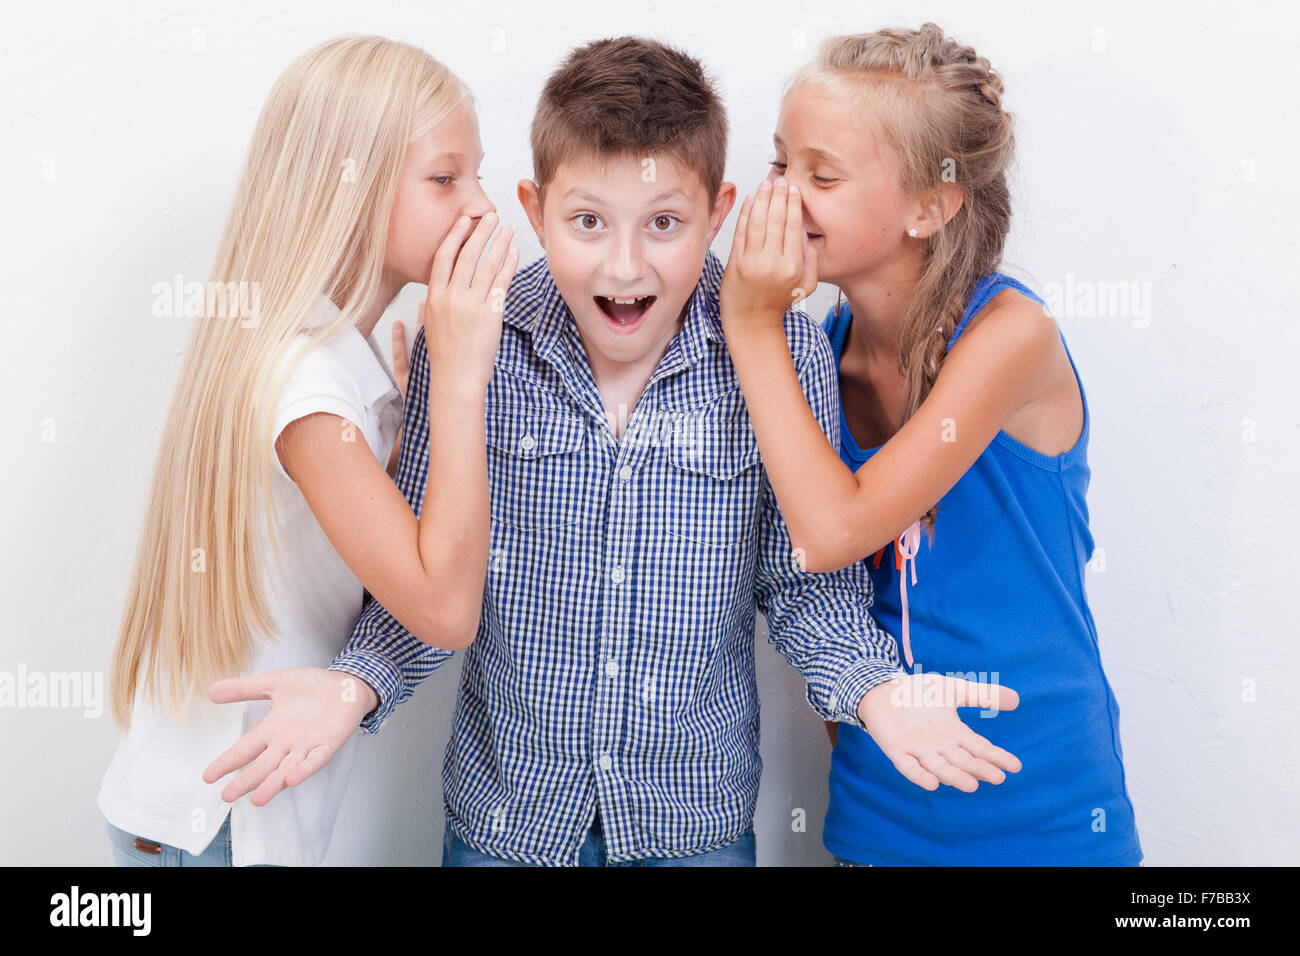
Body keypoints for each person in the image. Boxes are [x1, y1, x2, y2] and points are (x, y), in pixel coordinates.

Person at [203, 36, 1020, 868]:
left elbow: (807, 587)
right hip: (508, 824)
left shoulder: (783, 355)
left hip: (692, 825)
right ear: (534, 208)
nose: (625, 265)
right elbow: (431, 577)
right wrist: (356, 685)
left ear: (718, 211)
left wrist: (872, 688)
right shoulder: (477, 343)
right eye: (588, 221)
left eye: (664, 223)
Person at [719, 23, 1142, 865]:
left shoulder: (1010, 336)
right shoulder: (818, 352)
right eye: (779, 163)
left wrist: (751, 321)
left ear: (929, 205)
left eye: (822, 174)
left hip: (1042, 805)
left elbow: (836, 531)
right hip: (880, 803)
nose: (783, 197)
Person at [97, 34, 517, 867]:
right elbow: (444, 609)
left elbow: (355, 561)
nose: (482, 208)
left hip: (206, 810)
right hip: (214, 825)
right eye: (445, 178)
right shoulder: (304, 379)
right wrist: (463, 382)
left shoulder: (320, 359)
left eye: (476, 173)